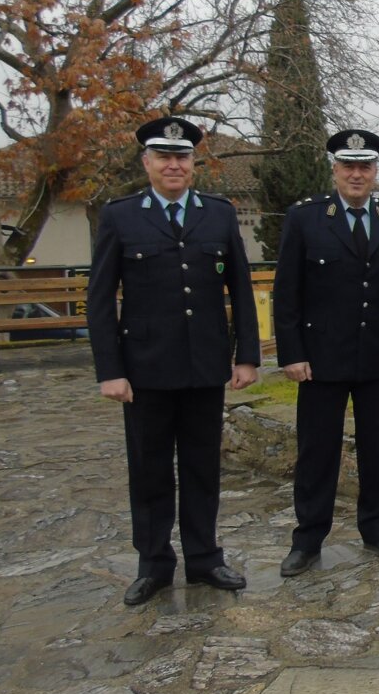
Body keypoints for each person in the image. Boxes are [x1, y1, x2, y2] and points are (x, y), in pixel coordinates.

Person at [87, 116, 259, 606]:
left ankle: (205, 558)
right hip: (145, 368)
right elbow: (99, 299)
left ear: (193, 163)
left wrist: (246, 356)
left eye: (182, 157)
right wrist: (110, 370)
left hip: (204, 364)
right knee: (150, 469)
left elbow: (240, 292)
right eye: (164, 156)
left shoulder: (218, 214)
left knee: (204, 467)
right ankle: (154, 563)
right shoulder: (121, 216)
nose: (174, 165)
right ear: (147, 162)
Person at [273, 129, 379, 576]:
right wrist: (292, 353)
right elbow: (287, 295)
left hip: (378, 357)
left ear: (376, 171)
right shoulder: (306, 219)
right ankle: (308, 537)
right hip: (321, 360)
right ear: (334, 170)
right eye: (348, 166)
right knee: (317, 451)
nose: (357, 174)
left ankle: (375, 527)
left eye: (366, 166)